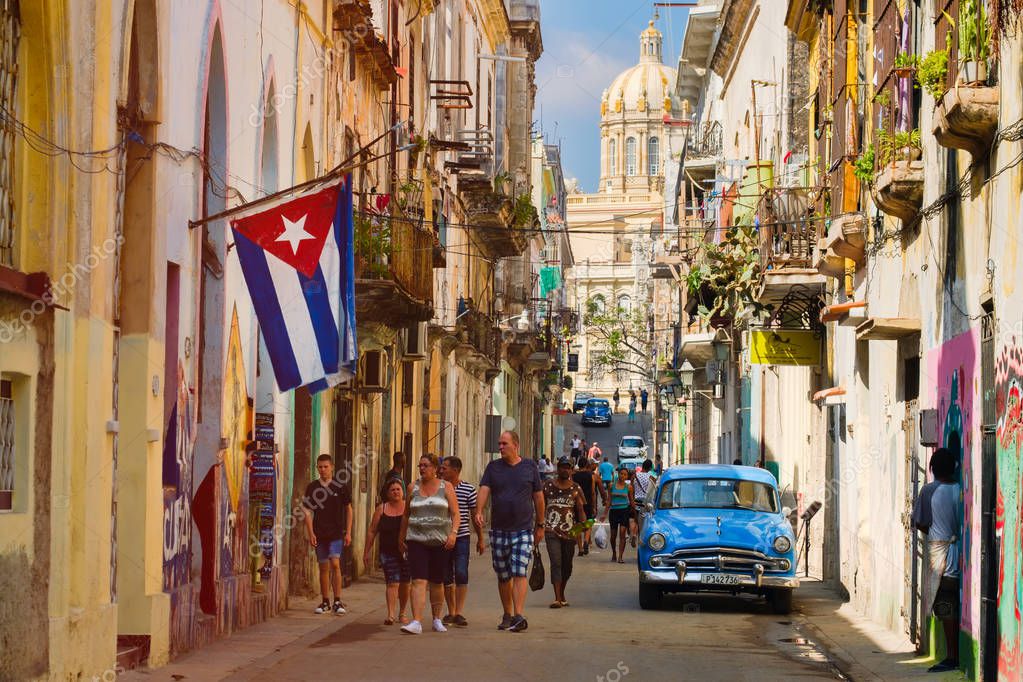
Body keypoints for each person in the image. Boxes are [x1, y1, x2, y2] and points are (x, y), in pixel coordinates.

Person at [476, 430, 544, 633]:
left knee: (519, 571)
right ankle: (507, 614)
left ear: (516, 445)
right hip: (499, 530)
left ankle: (518, 614)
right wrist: (479, 511)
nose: (500, 447)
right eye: (499, 444)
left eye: (504, 443)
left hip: (523, 530)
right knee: (503, 575)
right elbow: (484, 490)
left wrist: (540, 524)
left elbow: (538, 497)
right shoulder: (493, 468)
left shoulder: (529, 467)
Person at [911, 448, 961, 673]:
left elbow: (919, 522)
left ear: (932, 469)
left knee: (945, 606)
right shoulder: (961, 489)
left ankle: (951, 656)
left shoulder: (929, 491)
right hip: (959, 553)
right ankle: (952, 654)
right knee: (952, 603)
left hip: (940, 556)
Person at [398, 453, 460, 635]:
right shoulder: (412, 487)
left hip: (440, 541)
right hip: (416, 539)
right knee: (418, 580)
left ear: (435, 468)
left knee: (437, 581)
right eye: (420, 466)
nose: (422, 469)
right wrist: (401, 538)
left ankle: (436, 619)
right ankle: (416, 621)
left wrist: (453, 534)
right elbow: (406, 514)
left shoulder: (446, 487)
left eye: (425, 465)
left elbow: (455, 514)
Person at [303, 454, 353, 615]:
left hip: (337, 533)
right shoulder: (312, 487)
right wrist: (311, 533)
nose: (323, 470)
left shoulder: (340, 487)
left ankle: (337, 600)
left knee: (335, 564)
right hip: (319, 533)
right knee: (323, 566)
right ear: (317, 468)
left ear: (332, 467)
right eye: (320, 467)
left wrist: (349, 532)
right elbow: (307, 511)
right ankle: (325, 601)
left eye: (326, 466)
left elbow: (349, 509)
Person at [439, 456, 484, 628]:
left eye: (445, 468)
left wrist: (480, 538)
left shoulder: (468, 489)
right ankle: (451, 612)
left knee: (461, 572)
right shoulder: (438, 488)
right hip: (442, 537)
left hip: (462, 537)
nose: (442, 471)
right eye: (441, 468)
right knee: (445, 575)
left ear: (456, 470)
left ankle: (458, 611)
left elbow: (474, 516)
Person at [364, 479, 411, 625]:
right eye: (393, 490)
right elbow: (372, 531)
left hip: (406, 552)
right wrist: (367, 551)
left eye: (398, 489)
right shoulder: (381, 509)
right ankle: (390, 614)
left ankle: (402, 613)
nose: (396, 492)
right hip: (387, 552)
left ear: (403, 492)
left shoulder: (408, 508)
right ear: (388, 493)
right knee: (392, 582)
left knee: (405, 583)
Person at [543, 457, 587, 608]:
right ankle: (556, 598)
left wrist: (584, 525)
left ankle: (562, 593)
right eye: (562, 467)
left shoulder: (576, 488)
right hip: (551, 530)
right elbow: (540, 504)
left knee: (567, 566)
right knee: (556, 562)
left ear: (571, 470)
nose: (565, 470)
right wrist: (539, 525)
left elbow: (580, 509)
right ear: (558, 468)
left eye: (568, 467)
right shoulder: (547, 486)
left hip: (570, 532)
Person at [571, 458, 600, 556]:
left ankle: (580, 549)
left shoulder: (573, 476)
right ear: (587, 464)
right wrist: (594, 505)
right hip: (587, 502)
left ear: (578, 465)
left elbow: (571, 489)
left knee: (578, 525)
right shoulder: (590, 475)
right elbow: (592, 492)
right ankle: (586, 542)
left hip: (576, 502)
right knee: (588, 523)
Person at [608, 466, 635, 563]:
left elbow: (631, 501)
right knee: (613, 536)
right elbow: (609, 500)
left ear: (627, 476)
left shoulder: (629, 487)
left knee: (622, 534)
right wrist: (604, 513)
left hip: (624, 511)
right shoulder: (611, 485)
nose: (622, 476)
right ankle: (614, 553)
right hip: (614, 512)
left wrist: (635, 513)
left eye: (625, 474)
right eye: (621, 474)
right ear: (618, 474)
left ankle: (620, 556)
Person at [632, 459, 655, 539]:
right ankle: (641, 537)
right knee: (645, 520)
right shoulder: (651, 477)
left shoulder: (635, 475)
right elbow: (653, 490)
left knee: (636, 520)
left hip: (635, 501)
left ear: (642, 466)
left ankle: (634, 534)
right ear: (649, 468)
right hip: (646, 502)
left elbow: (631, 488)